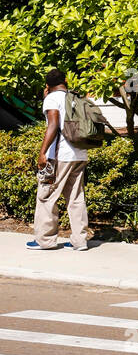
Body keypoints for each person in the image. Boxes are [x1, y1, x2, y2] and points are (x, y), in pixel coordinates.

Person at [28, 68, 90, 252]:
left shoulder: (52, 99)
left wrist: (42, 152)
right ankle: (80, 241)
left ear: (47, 85)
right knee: (76, 197)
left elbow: (53, 124)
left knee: (47, 195)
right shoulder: (75, 97)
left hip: (60, 156)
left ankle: (44, 241)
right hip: (79, 153)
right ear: (65, 81)